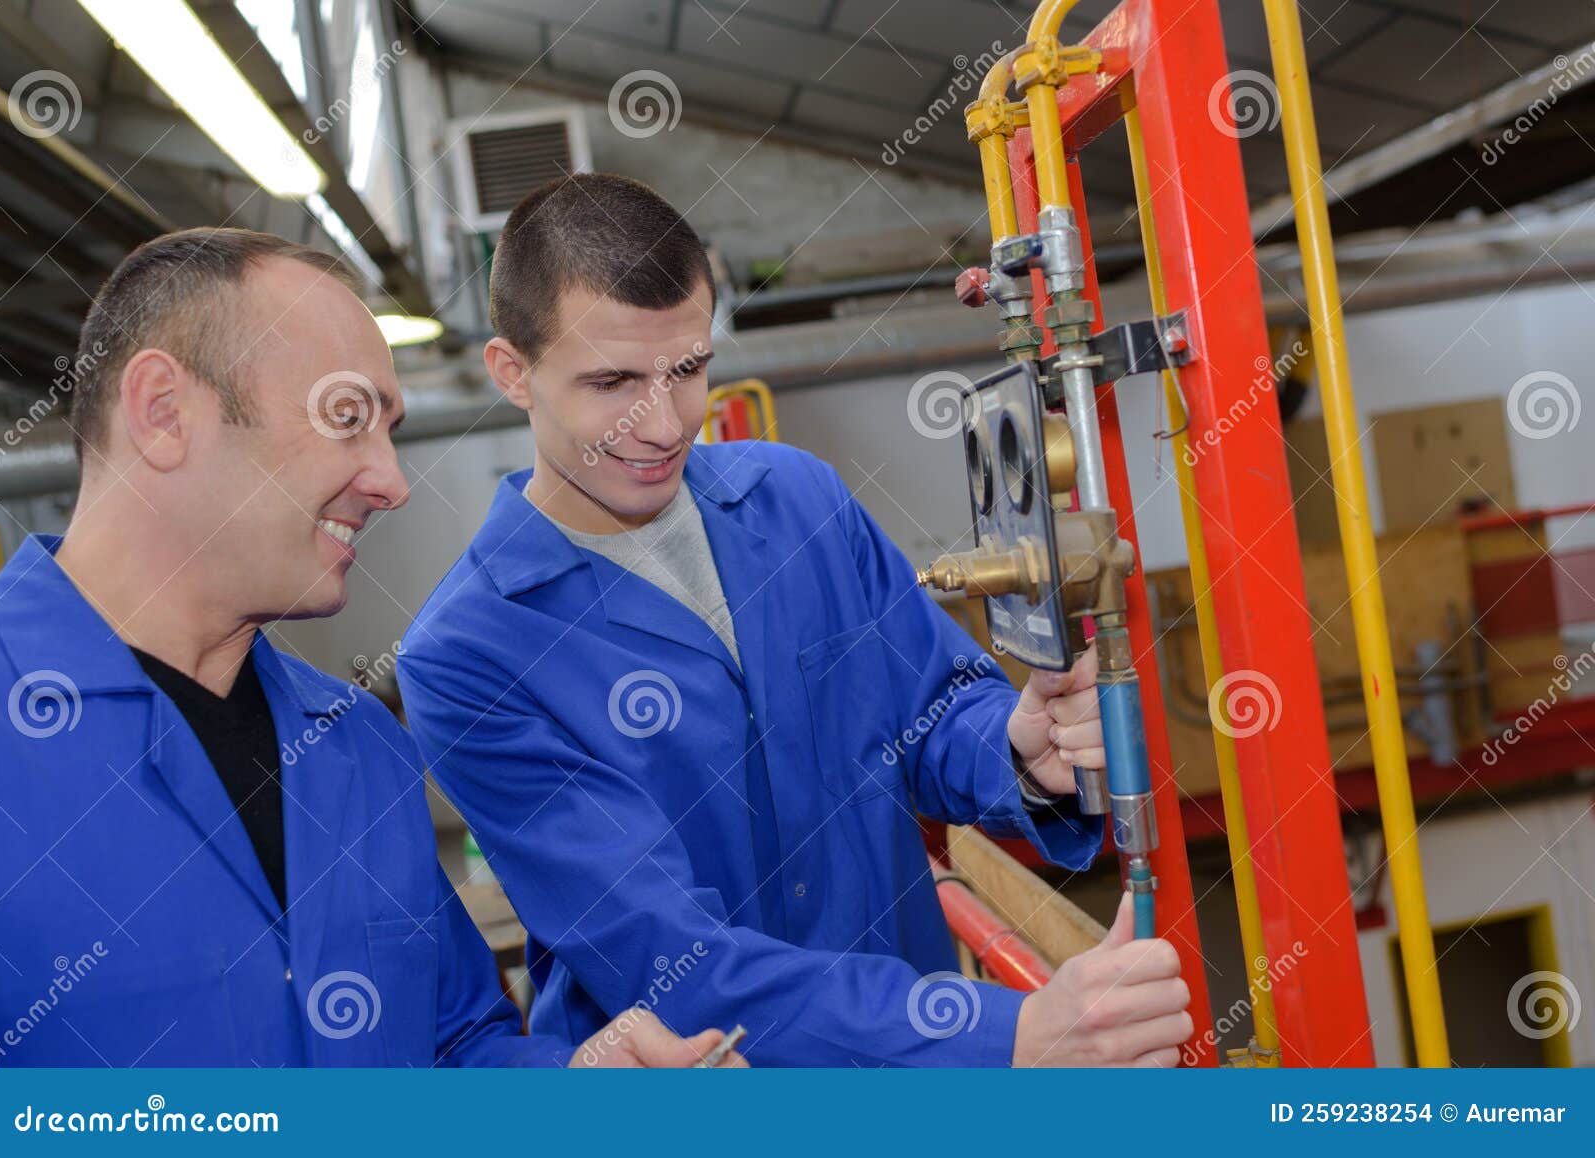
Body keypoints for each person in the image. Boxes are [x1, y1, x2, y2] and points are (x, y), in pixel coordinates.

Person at [398, 174, 1193, 1066]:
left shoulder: (797, 498)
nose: (665, 423)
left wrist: (1016, 753)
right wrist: (1003, 1034)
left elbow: (929, 711)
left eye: (689, 368)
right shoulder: (468, 654)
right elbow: (673, 964)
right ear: (513, 372)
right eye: (613, 381)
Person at [0, 228, 742, 1069]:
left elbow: (453, 1045)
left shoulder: (355, 749)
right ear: (165, 413)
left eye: (388, 430)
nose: (391, 482)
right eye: (346, 418)